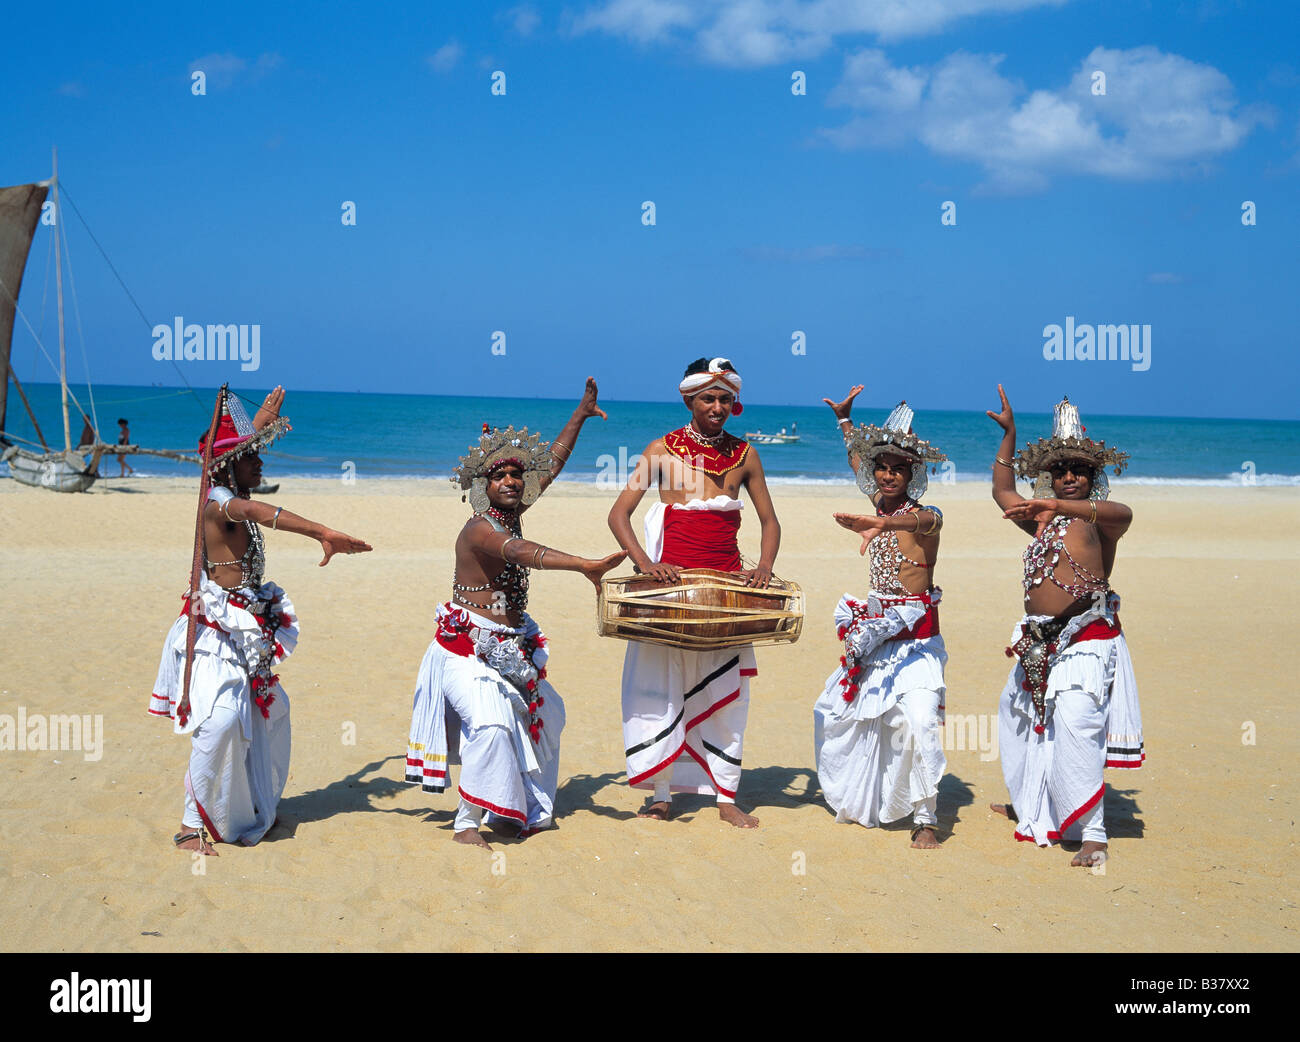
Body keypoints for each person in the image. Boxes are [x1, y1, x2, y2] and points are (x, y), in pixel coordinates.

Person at [150, 386, 372, 855]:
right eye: (251, 456)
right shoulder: (221, 504)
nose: (262, 463)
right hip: (215, 630)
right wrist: (321, 532)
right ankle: (191, 826)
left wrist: (261, 419)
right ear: (229, 465)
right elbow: (252, 509)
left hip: (247, 627)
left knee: (267, 715)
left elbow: (239, 469)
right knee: (222, 720)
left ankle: (246, 806)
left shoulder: (231, 487)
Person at [406, 378, 626, 849]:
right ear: (481, 488)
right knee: (491, 726)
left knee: (551, 713)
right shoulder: (480, 530)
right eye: (498, 476)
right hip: (465, 651)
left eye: (514, 475)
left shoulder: (512, 509)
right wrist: (582, 564)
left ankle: (517, 809)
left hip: (512, 644)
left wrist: (580, 415)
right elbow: (521, 551)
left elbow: (552, 464)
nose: (511, 481)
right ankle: (467, 823)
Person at [608, 357, 781, 828]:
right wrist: (645, 564)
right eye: (709, 397)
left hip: (726, 593)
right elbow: (619, 514)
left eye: (726, 398)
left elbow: (769, 521)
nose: (718, 406)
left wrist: (763, 568)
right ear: (689, 399)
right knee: (662, 688)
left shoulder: (745, 455)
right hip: (673, 594)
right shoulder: (661, 450)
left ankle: (725, 796)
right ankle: (661, 794)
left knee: (727, 691)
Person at [987, 386, 1144, 868]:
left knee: (1077, 722)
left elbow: (1124, 512)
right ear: (1048, 476)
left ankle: (1093, 834)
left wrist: (1057, 507)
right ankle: (1033, 800)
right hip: (1038, 638)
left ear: (1094, 476)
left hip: (1087, 637)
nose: (1069, 477)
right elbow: (1001, 492)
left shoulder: (1100, 520)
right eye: (1059, 471)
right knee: (1019, 721)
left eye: (1079, 470)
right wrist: (1009, 436)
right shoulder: (1042, 520)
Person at [813, 390, 949, 848]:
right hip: (875, 634)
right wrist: (845, 422)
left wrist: (882, 526)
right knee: (845, 715)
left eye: (898, 468)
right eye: (883, 468)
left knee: (919, 721)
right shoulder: (876, 501)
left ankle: (925, 816)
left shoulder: (926, 517)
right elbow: (857, 463)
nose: (888, 475)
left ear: (914, 473)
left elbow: (922, 523)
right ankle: (869, 796)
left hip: (916, 641)